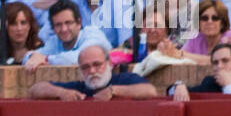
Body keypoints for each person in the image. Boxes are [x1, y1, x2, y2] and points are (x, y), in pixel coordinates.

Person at [28, 43, 157, 99]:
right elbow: (35, 89)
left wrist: (114, 91)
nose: (92, 70)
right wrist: (61, 92)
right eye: (85, 67)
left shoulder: (124, 80)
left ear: (110, 64)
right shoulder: (78, 87)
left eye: (97, 64)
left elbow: (150, 91)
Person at [167, 43, 231, 101]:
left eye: (225, 61)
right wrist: (178, 86)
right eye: (215, 62)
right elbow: (172, 91)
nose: (219, 66)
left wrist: (228, 86)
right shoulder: (209, 83)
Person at [0, 1, 45, 66]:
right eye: (13, 23)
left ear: (30, 26)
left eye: (23, 23)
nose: (19, 29)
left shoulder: (40, 49)